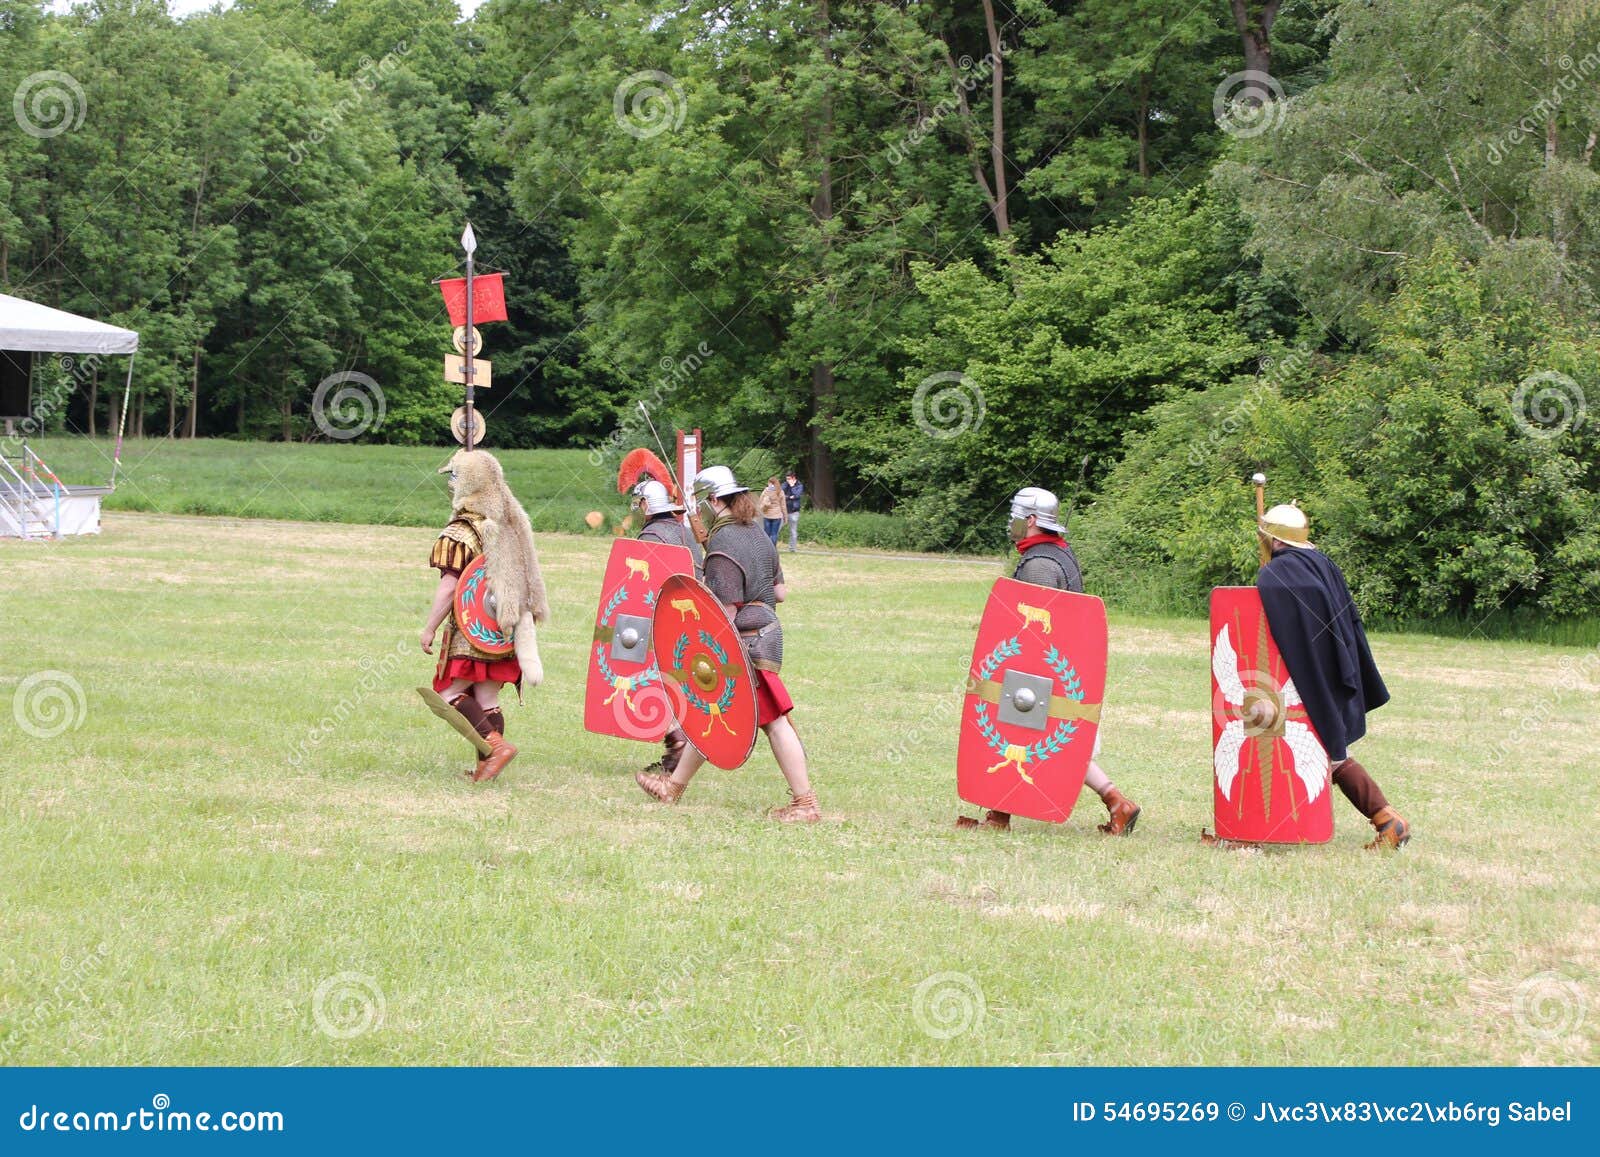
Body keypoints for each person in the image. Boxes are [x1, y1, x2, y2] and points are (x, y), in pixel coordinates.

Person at [636, 465, 821, 822]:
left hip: (745, 643)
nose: (701, 508)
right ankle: (671, 787)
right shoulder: (758, 535)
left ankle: (805, 803)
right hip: (764, 634)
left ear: (716, 500)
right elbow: (779, 593)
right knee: (714, 714)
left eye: (705, 501)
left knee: (773, 722)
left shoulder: (724, 542)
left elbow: (726, 612)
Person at [958, 486, 1141, 835]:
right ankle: (1118, 803)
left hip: (1040, 669)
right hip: (1047, 667)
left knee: (1018, 732)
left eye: (1016, 515)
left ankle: (1000, 817)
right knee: (1040, 740)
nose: (1011, 522)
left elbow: (1039, 630)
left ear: (1030, 520)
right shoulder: (1057, 553)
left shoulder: (1040, 564)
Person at [1252, 503, 1410, 849]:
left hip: (1306, 675)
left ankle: (1386, 818)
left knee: (1322, 746)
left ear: (1271, 538)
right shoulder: (1319, 562)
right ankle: (1385, 818)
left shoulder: (1279, 575)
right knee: (1323, 745)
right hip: (1335, 664)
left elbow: (1286, 633)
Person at [421, 449, 549, 782]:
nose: (451, 485)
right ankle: (485, 768)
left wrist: (429, 628)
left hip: (473, 628)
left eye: (454, 477)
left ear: (469, 482)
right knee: (487, 696)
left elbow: (451, 588)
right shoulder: (510, 523)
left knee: (449, 694)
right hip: (504, 627)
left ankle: (494, 747)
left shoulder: (462, 532)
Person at [631, 478, 704, 781]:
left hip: (663, 615)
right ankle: (678, 745)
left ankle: (677, 743)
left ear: (647, 505)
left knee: (658, 680)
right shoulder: (685, 532)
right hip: (692, 615)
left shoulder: (651, 535)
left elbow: (644, 586)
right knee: (676, 679)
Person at [781, 470, 804, 553]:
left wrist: (792, 486)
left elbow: (797, 495)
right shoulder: (785, 484)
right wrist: (789, 497)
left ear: (793, 478)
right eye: (787, 479)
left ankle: (792, 548)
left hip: (794, 511)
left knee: (793, 531)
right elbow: (781, 493)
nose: (787, 480)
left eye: (789, 479)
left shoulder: (799, 485)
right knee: (777, 528)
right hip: (784, 511)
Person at [758, 476, 785, 546]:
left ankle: (767, 549)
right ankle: (773, 550)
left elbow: (760, 500)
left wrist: (761, 508)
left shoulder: (766, 491)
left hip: (767, 515)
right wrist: (785, 516)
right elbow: (783, 505)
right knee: (774, 534)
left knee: (767, 534)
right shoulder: (780, 491)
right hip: (777, 515)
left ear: (769, 482)